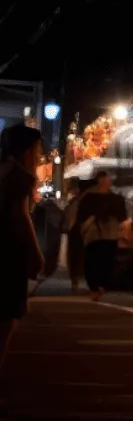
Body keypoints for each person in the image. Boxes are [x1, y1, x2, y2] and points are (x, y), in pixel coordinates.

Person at [2, 126, 48, 369]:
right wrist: (36, 253)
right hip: (9, 251)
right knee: (7, 319)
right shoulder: (20, 176)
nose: (39, 155)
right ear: (27, 149)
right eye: (37, 149)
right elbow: (21, 216)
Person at [75, 171, 127, 300]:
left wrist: (122, 231)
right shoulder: (89, 197)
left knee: (106, 261)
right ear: (99, 180)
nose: (106, 182)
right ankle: (94, 287)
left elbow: (122, 218)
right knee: (93, 261)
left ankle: (100, 286)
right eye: (104, 179)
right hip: (94, 234)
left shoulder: (115, 198)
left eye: (108, 179)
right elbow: (81, 216)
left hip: (110, 234)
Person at [62, 178, 91, 288]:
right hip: (76, 232)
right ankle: (76, 279)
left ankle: (76, 279)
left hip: (79, 231)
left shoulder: (76, 203)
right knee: (76, 256)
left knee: (76, 256)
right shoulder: (72, 203)